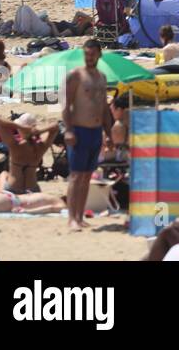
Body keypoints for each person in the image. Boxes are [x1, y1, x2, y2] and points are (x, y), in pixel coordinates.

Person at [62, 39, 111, 230]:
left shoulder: (102, 77)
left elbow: (104, 108)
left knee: (86, 177)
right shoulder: (76, 76)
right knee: (76, 176)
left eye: (92, 54)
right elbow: (66, 105)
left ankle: (80, 216)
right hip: (79, 130)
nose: (89, 58)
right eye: (86, 54)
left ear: (99, 54)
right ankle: (72, 218)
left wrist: (108, 132)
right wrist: (68, 130)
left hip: (96, 132)